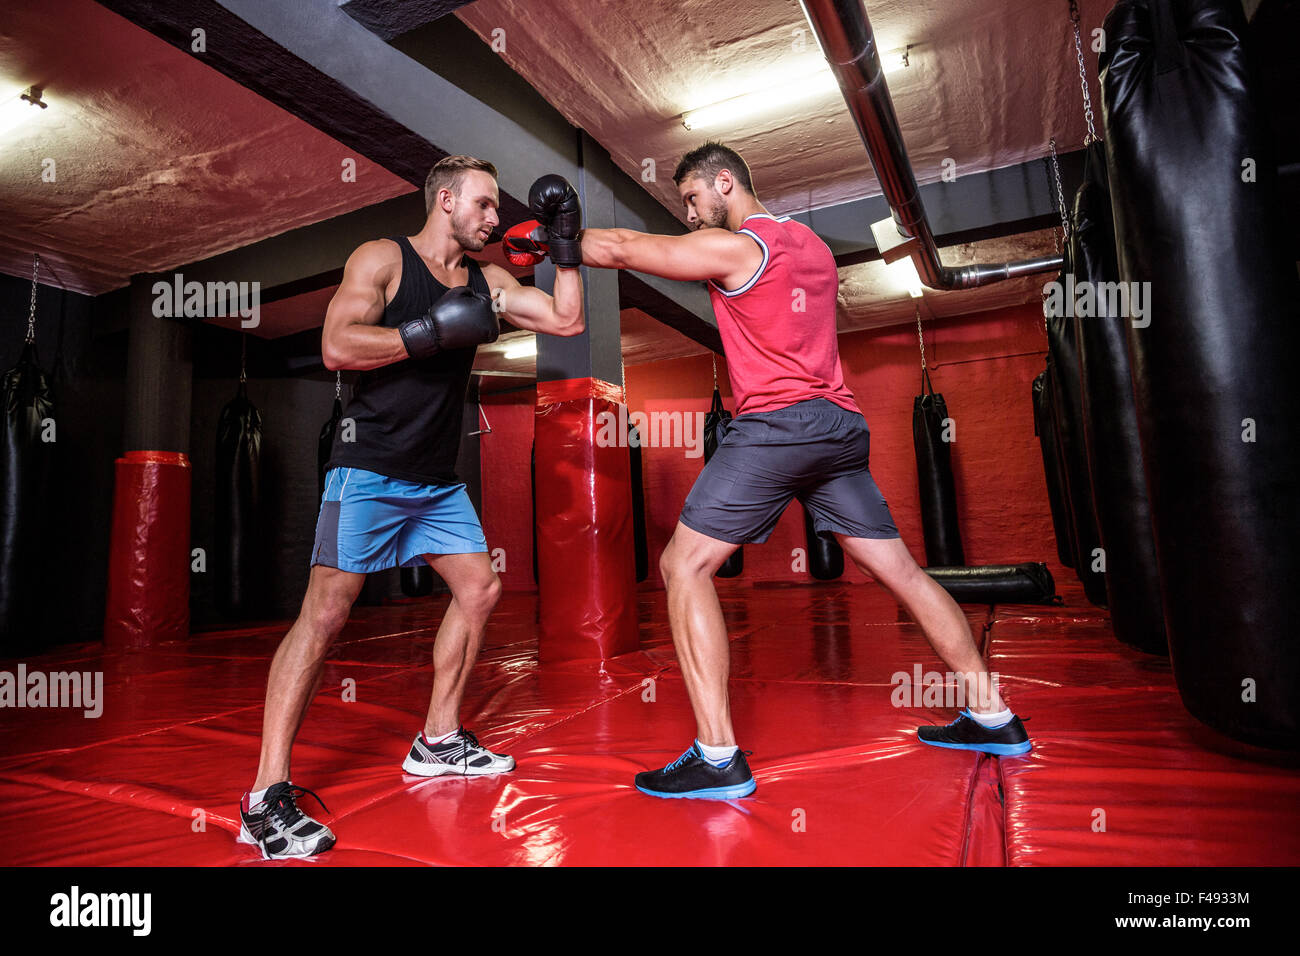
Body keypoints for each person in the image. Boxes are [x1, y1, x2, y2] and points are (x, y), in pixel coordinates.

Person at [537, 142, 1031, 800]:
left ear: (725, 183)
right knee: (905, 574)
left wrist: (556, 237)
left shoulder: (742, 247)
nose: (689, 213)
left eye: (692, 198)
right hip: (838, 428)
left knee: (682, 567)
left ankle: (717, 756)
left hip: (778, 426)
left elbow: (626, 247)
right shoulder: (815, 248)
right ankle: (993, 714)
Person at [238, 156, 585, 858]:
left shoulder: (488, 281)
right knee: (327, 614)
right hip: (366, 470)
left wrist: (568, 244)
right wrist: (425, 333)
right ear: (447, 199)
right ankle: (263, 796)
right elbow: (336, 345)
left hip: (436, 479)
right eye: (485, 205)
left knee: (480, 589)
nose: (494, 217)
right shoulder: (383, 259)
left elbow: (566, 318)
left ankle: (437, 738)